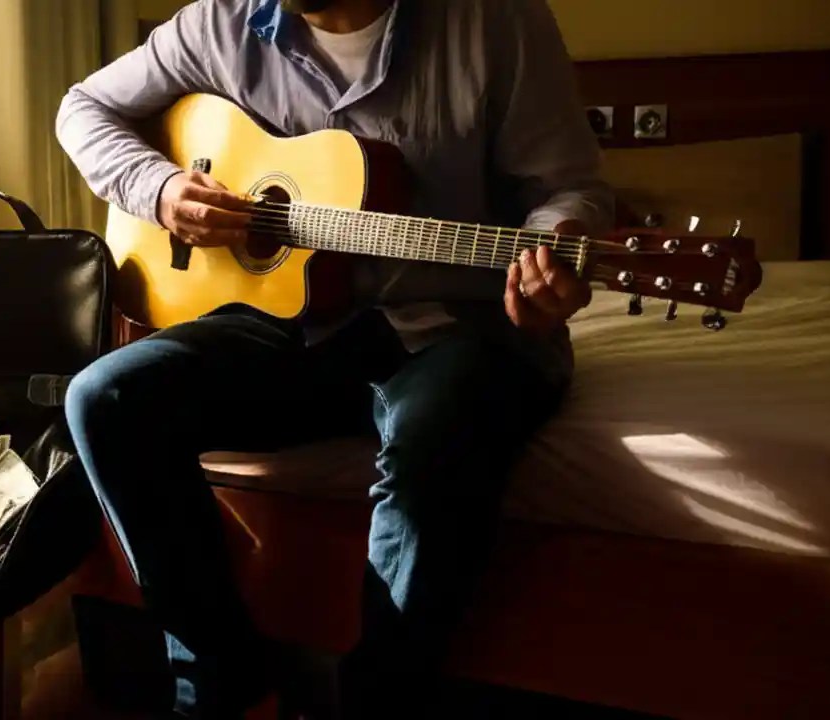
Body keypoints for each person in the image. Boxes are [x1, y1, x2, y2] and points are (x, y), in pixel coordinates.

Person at [56, 0, 612, 716]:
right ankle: (223, 687)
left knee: (431, 442)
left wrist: (552, 249)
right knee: (104, 397)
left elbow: (568, 186)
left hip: (458, 319)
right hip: (295, 320)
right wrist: (158, 189)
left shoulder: (494, 20)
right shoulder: (219, 24)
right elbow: (83, 107)